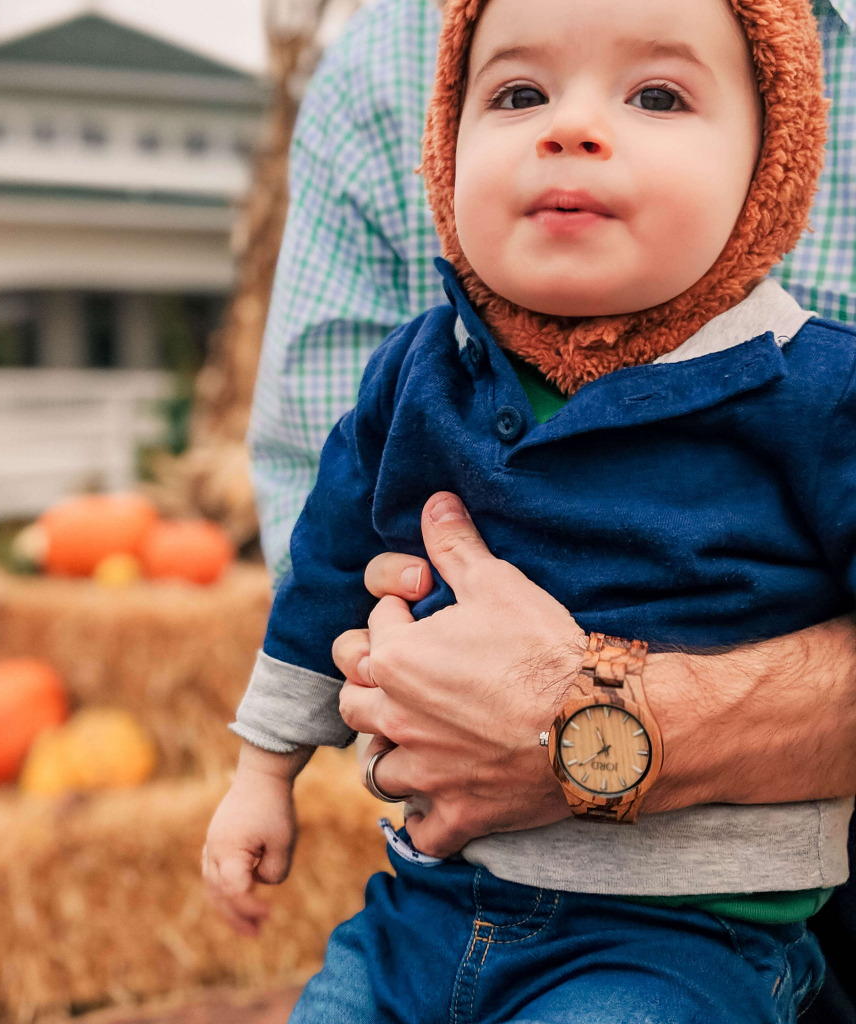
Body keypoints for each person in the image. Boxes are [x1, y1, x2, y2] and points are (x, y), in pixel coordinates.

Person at [204, 0, 853, 1018]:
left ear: (768, 172)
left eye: (654, 96)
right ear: (445, 154)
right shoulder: (416, 377)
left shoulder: (813, 394)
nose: (569, 128)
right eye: (517, 94)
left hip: (683, 938)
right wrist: (263, 771)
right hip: (422, 905)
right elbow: (322, 576)